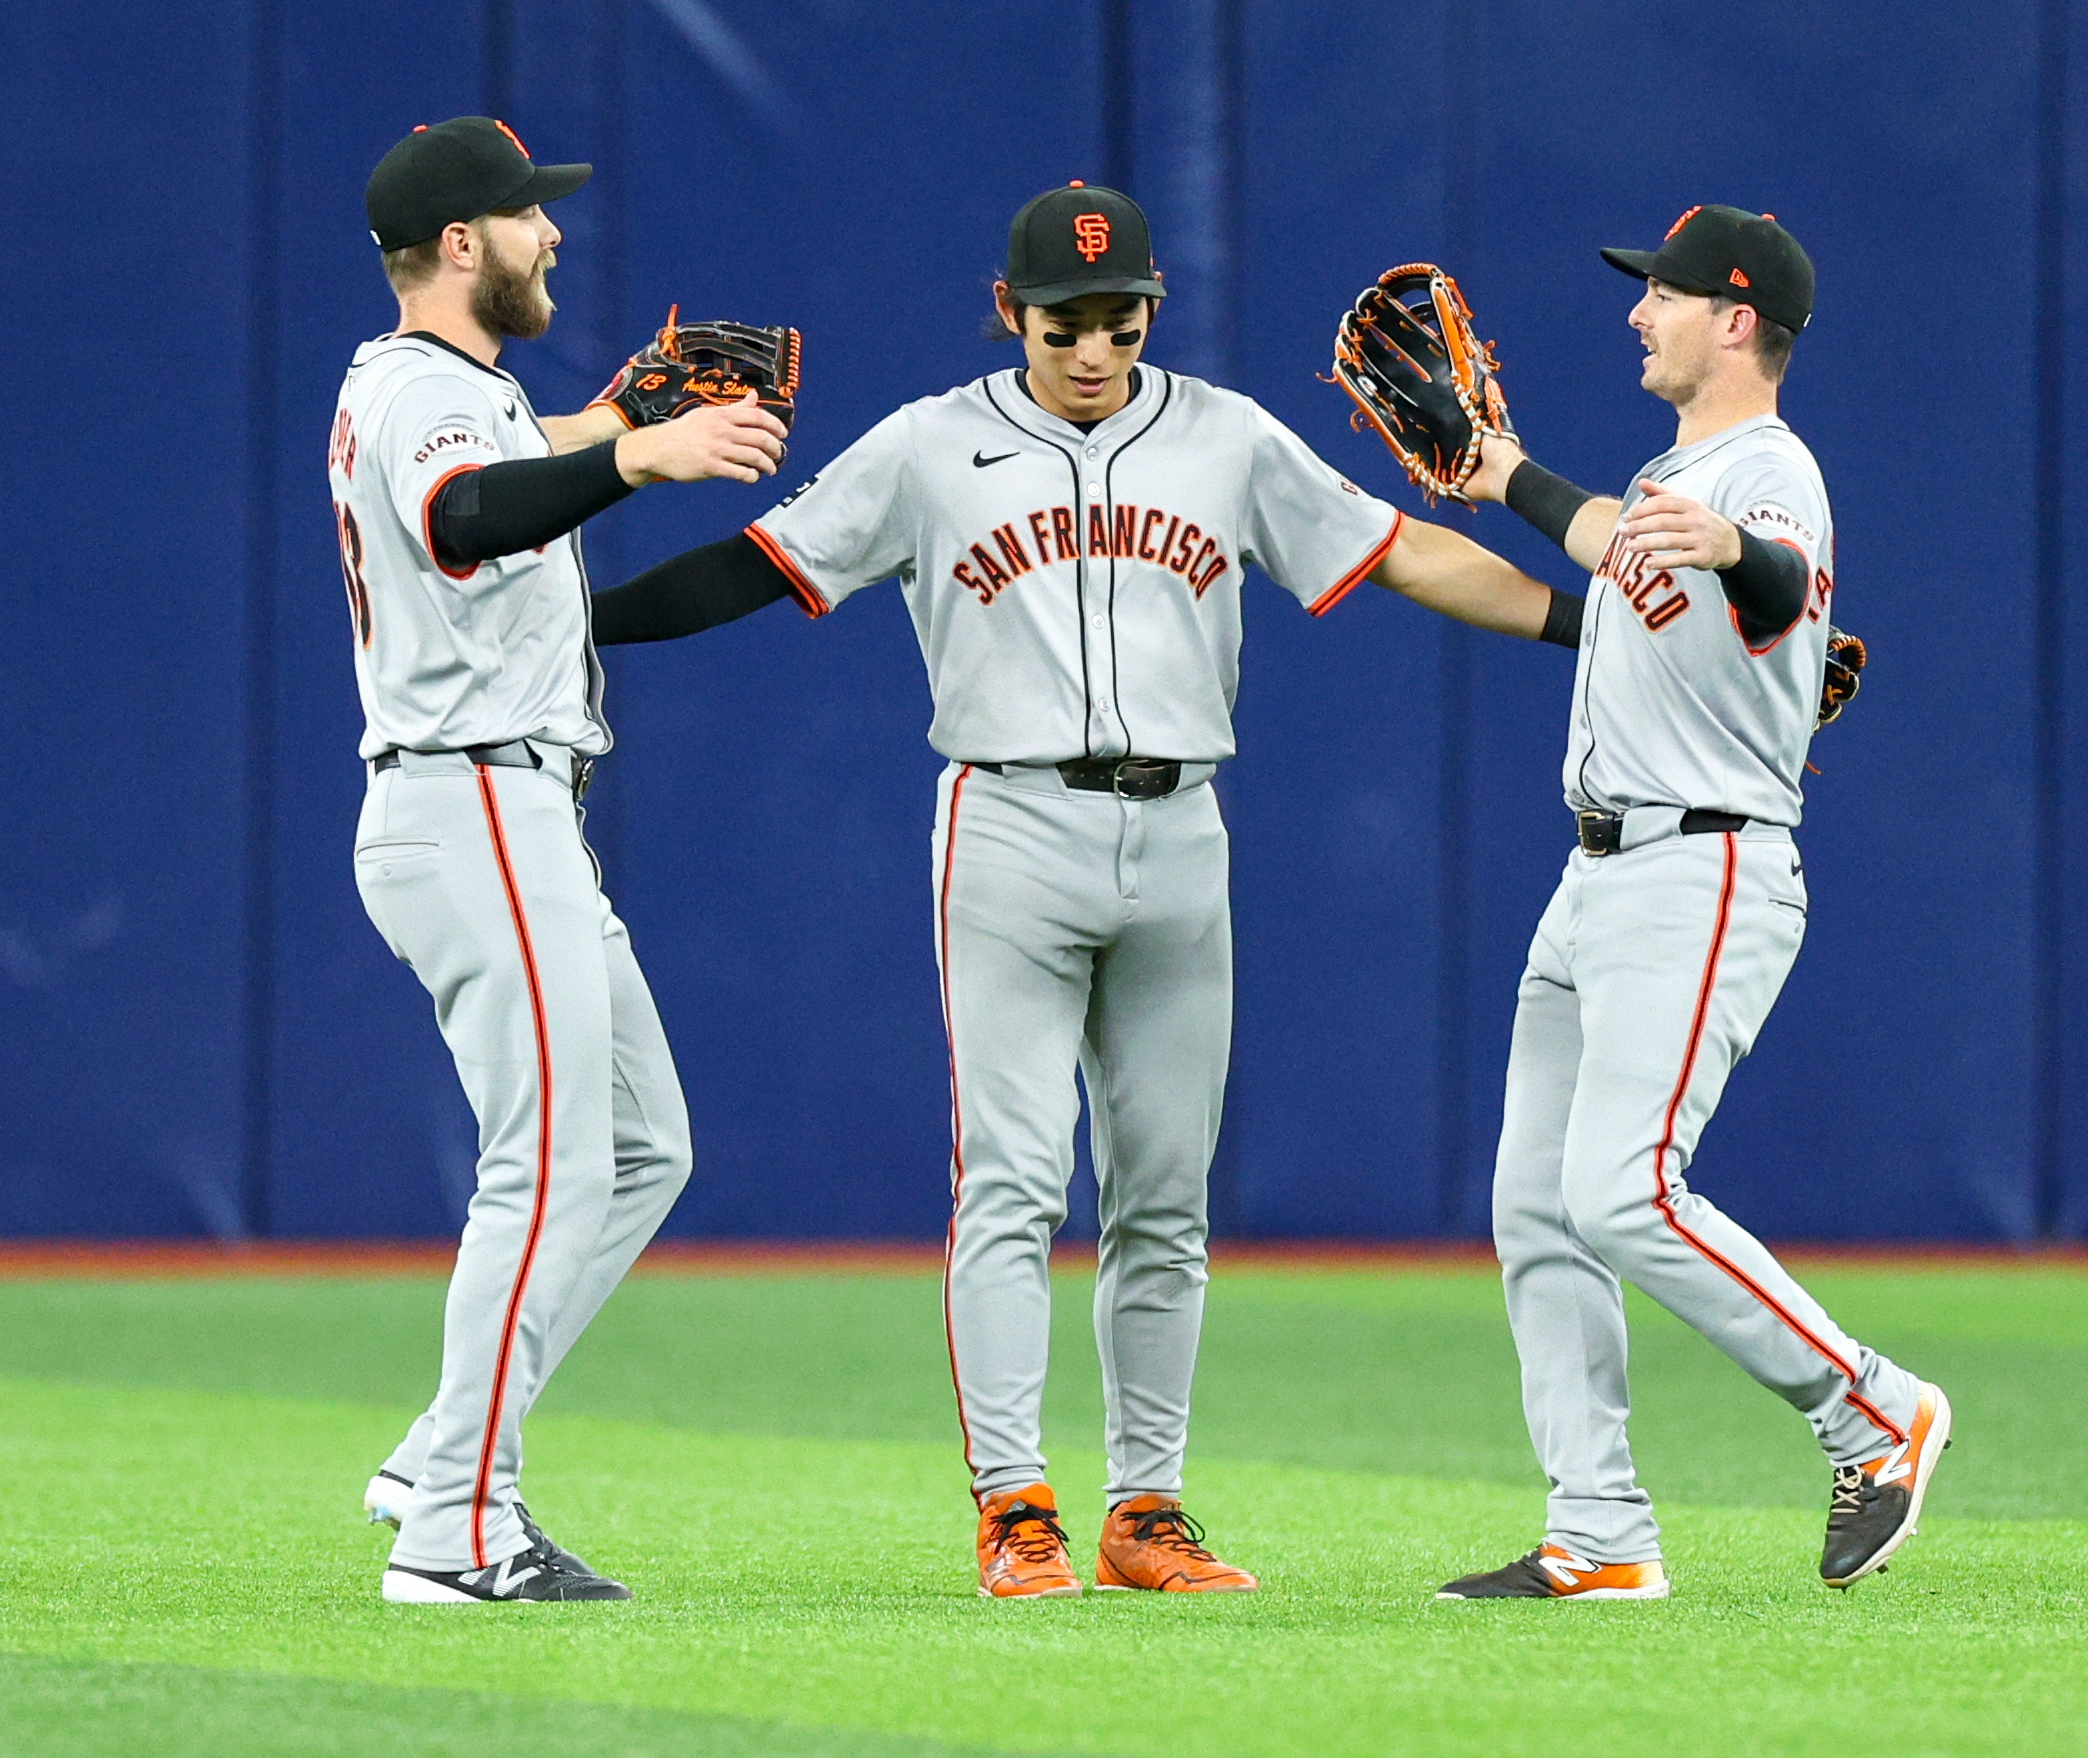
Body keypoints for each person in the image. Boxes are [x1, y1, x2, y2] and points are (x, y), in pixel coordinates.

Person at [584, 183, 1562, 1598]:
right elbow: (761, 562)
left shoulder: (1225, 435)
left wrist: (1590, 625)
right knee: (1012, 1183)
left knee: (1165, 1193)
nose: (1093, 348)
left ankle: (1144, 1511)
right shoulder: (932, 443)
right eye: (1064, 324)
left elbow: (1403, 551)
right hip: (1009, 826)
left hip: (1181, 831)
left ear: (1151, 311)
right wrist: (580, 618)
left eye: (1119, 320)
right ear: (1009, 312)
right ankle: (1012, 1503)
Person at [1432, 205, 1948, 1601]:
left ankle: (1869, 1407)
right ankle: (1597, 1533)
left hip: (1699, 866)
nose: (1631, 313)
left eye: (1656, 294)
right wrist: (1500, 473)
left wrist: (1740, 561)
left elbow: (1770, 571)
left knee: (1620, 1188)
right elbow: (1621, 544)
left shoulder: (1767, 471)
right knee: (1535, 1203)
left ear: (1732, 317)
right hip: (1594, 874)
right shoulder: (1678, 471)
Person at [326, 115, 788, 1604]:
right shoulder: (415, 388)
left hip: (509, 810)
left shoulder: (463, 392)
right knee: (540, 1166)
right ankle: (461, 1525)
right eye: (529, 218)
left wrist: (597, 422)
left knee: (645, 1146)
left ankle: (437, 1450)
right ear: (460, 242)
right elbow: (466, 516)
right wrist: (642, 454)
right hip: (469, 806)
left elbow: (508, 469)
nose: (555, 236)